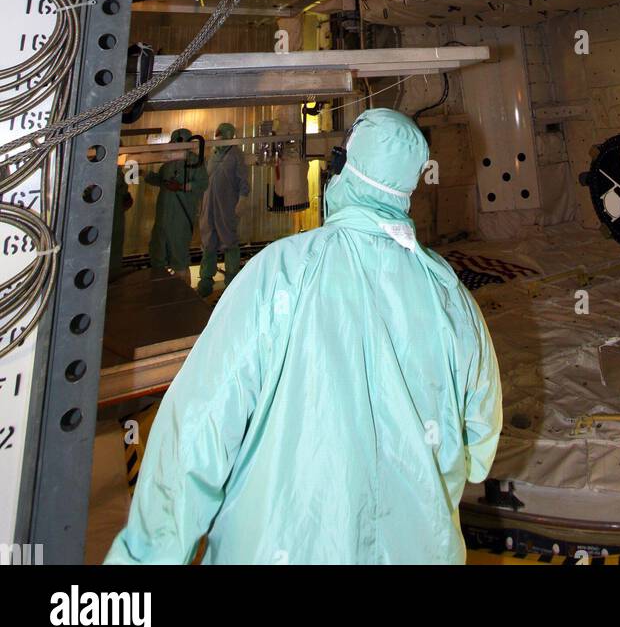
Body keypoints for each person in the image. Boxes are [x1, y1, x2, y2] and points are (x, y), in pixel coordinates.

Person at [105, 107, 502, 565]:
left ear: (347, 168)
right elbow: (481, 442)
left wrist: (146, 557)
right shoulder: (448, 292)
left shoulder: (279, 271)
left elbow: (198, 427)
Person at [147, 128, 208, 285]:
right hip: (163, 217)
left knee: (178, 255)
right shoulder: (169, 162)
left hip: (181, 217)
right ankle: (160, 291)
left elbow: (202, 183)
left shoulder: (195, 162)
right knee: (158, 252)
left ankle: (182, 295)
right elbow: (160, 180)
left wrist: (181, 187)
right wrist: (141, 172)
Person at [197, 121, 250, 299]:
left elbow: (243, 179)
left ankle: (232, 282)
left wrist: (242, 199)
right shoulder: (212, 153)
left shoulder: (235, 154)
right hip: (208, 204)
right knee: (208, 241)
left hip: (227, 206)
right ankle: (206, 280)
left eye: (222, 132)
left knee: (229, 242)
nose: (218, 134)